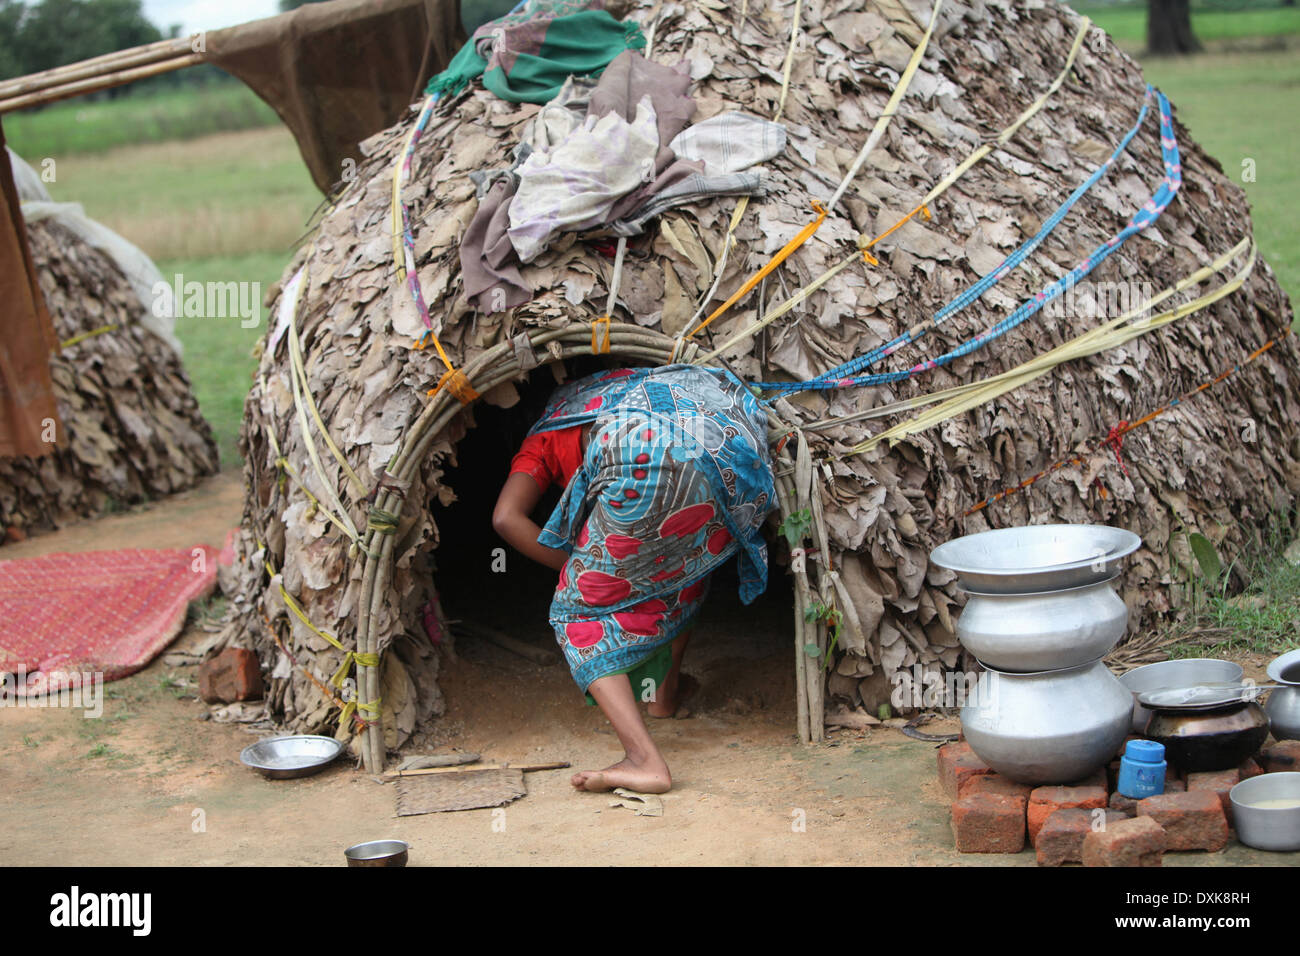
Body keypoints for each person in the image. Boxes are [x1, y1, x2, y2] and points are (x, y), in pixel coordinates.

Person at [492, 364, 775, 793]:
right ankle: (663, 695)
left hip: (638, 456)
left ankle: (645, 762)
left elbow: (505, 517)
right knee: (680, 567)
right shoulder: (625, 386)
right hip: (726, 458)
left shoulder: (545, 433)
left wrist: (578, 571)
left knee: (574, 614)